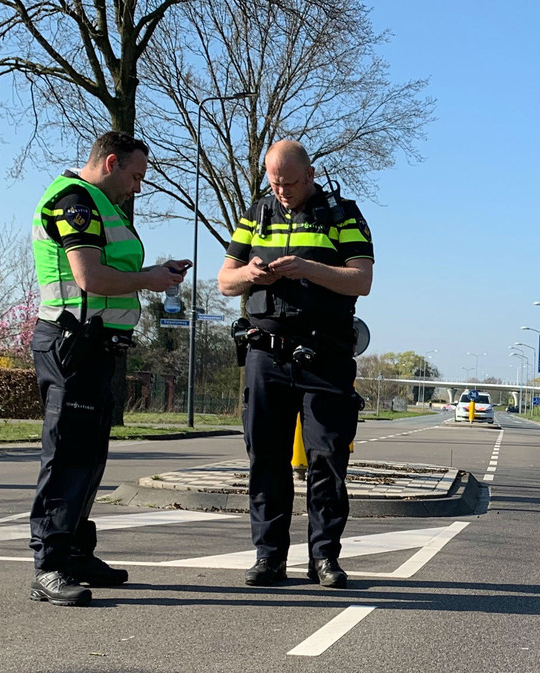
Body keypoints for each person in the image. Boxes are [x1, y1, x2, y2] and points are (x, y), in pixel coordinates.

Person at [28, 132, 190, 606]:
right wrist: (152, 279)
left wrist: (155, 272)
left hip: (96, 348)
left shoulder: (102, 203)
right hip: (71, 345)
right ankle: (49, 566)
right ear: (112, 162)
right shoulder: (75, 200)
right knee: (66, 457)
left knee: (89, 457)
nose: (138, 186)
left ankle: (75, 552)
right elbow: (90, 277)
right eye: (136, 175)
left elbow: (110, 271)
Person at [218, 140, 374, 589]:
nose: (281, 190)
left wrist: (306, 267)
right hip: (265, 354)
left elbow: (361, 279)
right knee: (265, 458)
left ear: (309, 174)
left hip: (325, 355)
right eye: (274, 181)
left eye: (289, 182)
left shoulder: (342, 215)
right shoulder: (255, 214)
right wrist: (251, 274)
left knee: (327, 460)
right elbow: (225, 280)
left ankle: (324, 558)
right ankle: (268, 558)